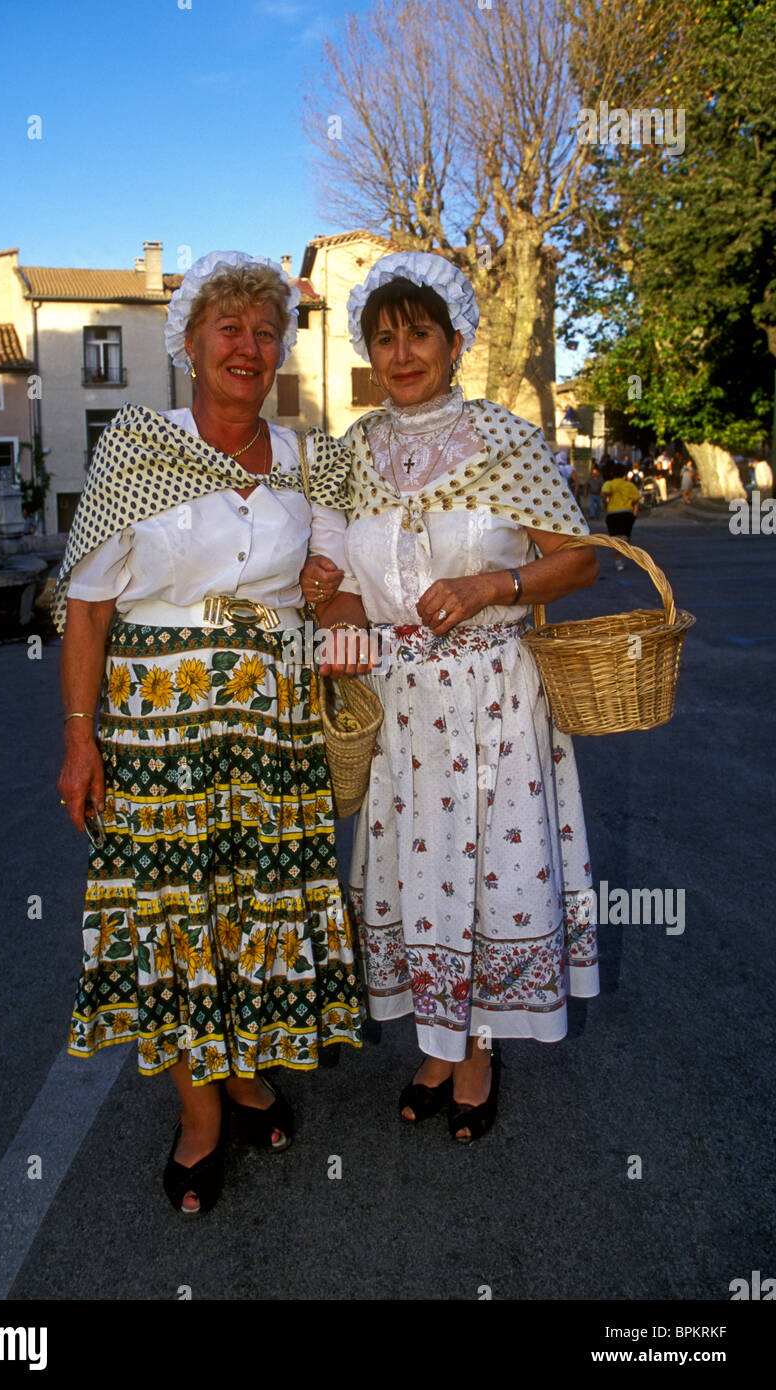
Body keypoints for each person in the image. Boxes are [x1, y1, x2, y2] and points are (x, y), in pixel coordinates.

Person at [54, 250, 363, 1217]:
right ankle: (199, 1109)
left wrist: (325, 593)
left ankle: (241, 1070)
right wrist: (79, 737)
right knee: (179, 910)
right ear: (189, 346)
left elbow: (341, 589)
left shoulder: (314, 461)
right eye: (228, 330)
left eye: (265, 331)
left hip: (269, 726)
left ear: (281, 350)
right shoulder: (137, 449)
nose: (248, 346)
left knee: (257, 896)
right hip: (156, 730)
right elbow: (89, 606)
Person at [301, 252, 600, 1143]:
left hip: (494, 699)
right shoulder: (350, 455)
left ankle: (477, 1050)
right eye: (383, 337)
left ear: (455, 341)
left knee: (487, 871)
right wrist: (329, 595)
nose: (400, 353)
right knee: (418, 872)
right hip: (402, 707)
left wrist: (491, 588)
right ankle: (437, 1041)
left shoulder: (506, 439)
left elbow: (579, 560)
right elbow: (345, 588)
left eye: (417, 334)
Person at [601, 463, 640, 569]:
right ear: (624, 474)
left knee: (614, 538)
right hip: (626, 513)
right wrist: (634, 515)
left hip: (612, 513)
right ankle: (620, 554)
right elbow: (636, 501)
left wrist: (604, 504)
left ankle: (618, 561)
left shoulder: (609, 484)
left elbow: (604, 494)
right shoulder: (630, 485)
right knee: (625, 537)